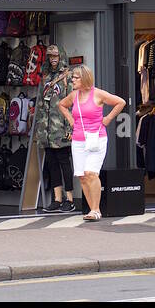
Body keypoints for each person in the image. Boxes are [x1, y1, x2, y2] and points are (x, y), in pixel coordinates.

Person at [58, 65, 125, 222]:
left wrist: (108, 119)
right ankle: (93, 209)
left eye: (76, 77)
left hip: (96, 138)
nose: (72, 80)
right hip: (78, 140)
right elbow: (61, 105)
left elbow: (120, 102)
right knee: (82, 176)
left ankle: (95, 210)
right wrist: (71, 120)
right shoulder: (74, 95)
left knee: (91, 173)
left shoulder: (98, 94)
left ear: (84, 78)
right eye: (72, 77)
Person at [32, 45, 76, 212]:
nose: (53, 59)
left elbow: (71, 103)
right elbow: (41, 104)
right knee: (51, 162)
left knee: (64, 162)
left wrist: (70, 128)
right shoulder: (46, 76)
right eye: (50, 56)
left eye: (56, 55)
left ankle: (70, 199)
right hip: (47, 129)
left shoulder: (68, 76)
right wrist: (39, 127)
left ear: (61, 56)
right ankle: (57, 199)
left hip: (61, 127)